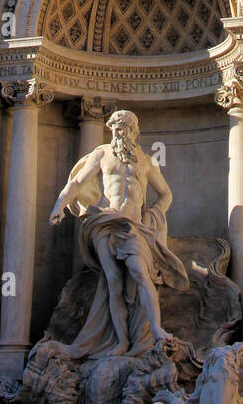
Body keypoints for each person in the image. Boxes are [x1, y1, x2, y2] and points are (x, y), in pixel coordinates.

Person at [48, 109, 188, 357]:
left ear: (134, 131)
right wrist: (59, 205)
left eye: (122, 127)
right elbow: (78, 183)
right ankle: (121, 341)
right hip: (105, 221)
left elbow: (166, 194)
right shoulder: (102, 153)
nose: (117, 132)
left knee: (140, 273)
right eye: (114, 127)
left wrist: (153, 213)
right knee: (112, 279)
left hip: (133, 225)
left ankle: (155, 329)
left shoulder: (146, 160)